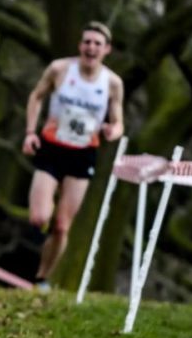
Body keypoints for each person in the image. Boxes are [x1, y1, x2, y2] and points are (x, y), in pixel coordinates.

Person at [22, 22, 124, 291]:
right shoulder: (60, 69)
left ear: (106, 49)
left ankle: (42, 278)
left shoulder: (112, 83)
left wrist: (113, 130)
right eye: (87, 42)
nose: (91, 47)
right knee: (39, 218)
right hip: (52, 148)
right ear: (80, 45)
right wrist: (30, 132)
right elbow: (36, 96)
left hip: (83, 155)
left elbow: (118, 121)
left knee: (62, 227)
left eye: (97, 44)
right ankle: (41, 223)